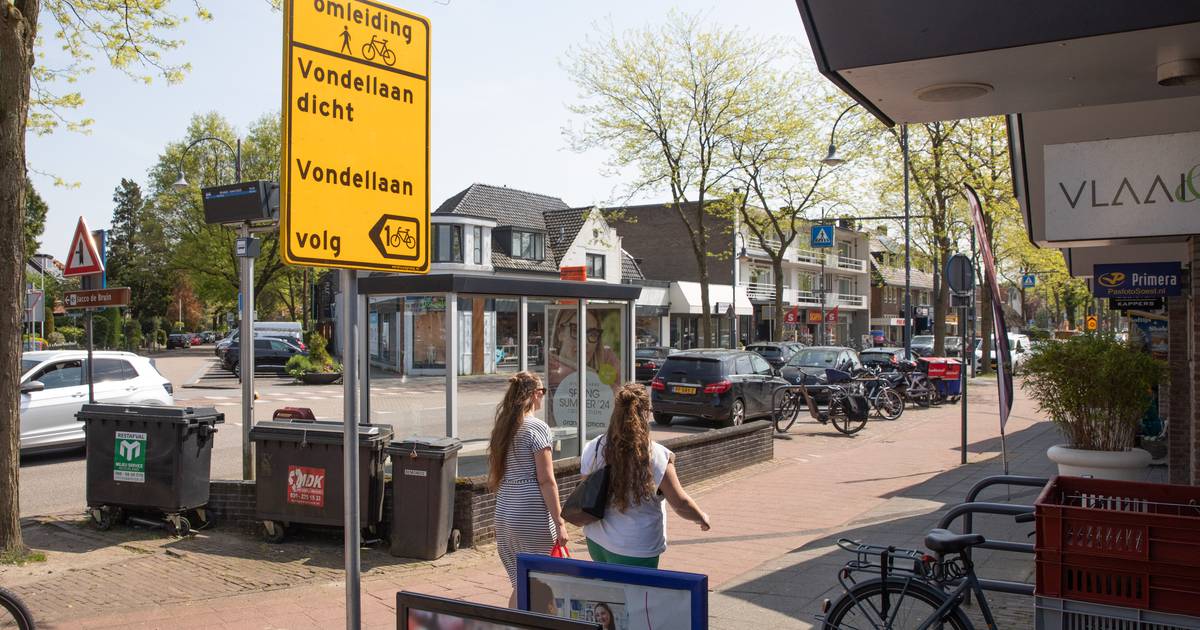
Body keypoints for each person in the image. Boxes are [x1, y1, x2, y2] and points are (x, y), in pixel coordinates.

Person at [580, 383, 710, 568]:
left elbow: (586, 490)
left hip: (597, 540)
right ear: (646, 413)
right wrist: (701, 517)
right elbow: (680, 503)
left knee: (612, 594)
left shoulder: (594, 447)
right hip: (636, 547)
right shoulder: (656, 455)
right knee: (639, 596)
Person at [489, 371, 568, 607]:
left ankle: (512, 622)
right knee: (541, 580)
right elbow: (546, 480)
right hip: (530, 510)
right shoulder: (537, 428)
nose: (543, 397)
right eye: (542, 392)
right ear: (534, 395)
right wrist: (560, 521)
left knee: (522, 582)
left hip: (504, 510)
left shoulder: (503, 428)